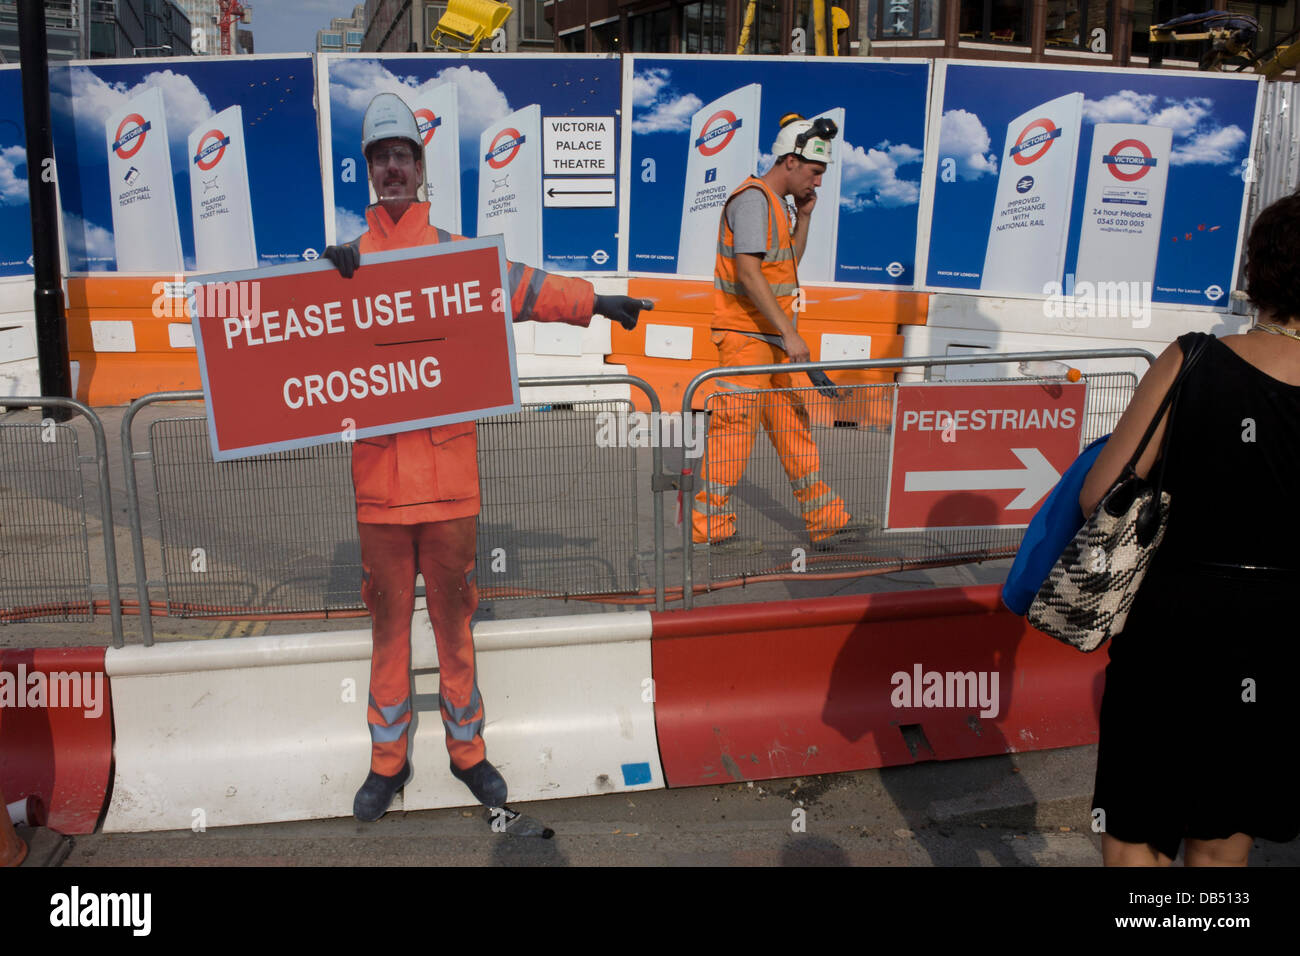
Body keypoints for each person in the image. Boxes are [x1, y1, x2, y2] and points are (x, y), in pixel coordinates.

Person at [323, 92, 650, 822]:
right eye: (381, 157)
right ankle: (387, 762)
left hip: (449, 486)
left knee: (455, 625)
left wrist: (597, 302)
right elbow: (286, 335)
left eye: (403, 154)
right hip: (378, 486)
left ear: (419, 164)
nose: (393, 167)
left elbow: (526, 288)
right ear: (370, 171)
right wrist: (324, 278)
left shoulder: (454, 257)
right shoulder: (343, 268)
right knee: (387, 630)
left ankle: (467, 754)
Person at [1078, 192, 1300, 866]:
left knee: (1136, 830)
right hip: (1281, 629)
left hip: (1174, 618)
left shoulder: (1194, 359)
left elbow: (1100, 496)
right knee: (1224, 835)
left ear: (1256, 270)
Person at [691, 113, 876, 554]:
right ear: (790, 162)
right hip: (747, 339)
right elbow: (749, 274)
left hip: (768, 341)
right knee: (733, 433)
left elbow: (786, 261)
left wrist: (805, 219)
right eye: (814, 173)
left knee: (793, 426)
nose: (817, 183)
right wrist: (789, 334)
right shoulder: (754, 200)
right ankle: (708, 528)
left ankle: (826, 521)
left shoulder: (776, 205)